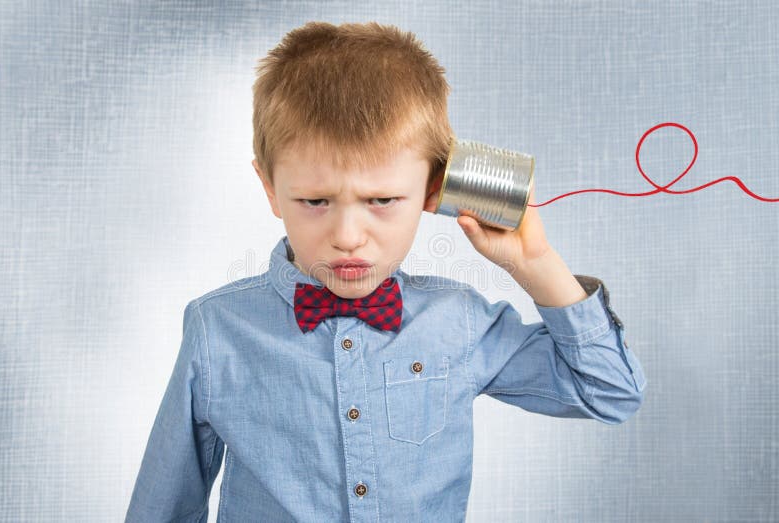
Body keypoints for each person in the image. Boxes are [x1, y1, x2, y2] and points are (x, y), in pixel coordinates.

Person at [125, 21, 647, 522]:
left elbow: (610, 391)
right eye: (314, 200)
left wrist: (535, 265)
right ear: (269, 188)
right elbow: (163, 507)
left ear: (434, 190)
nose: (348, 235)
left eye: (382, 199)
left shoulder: (457, 322)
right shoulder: (217, 330)